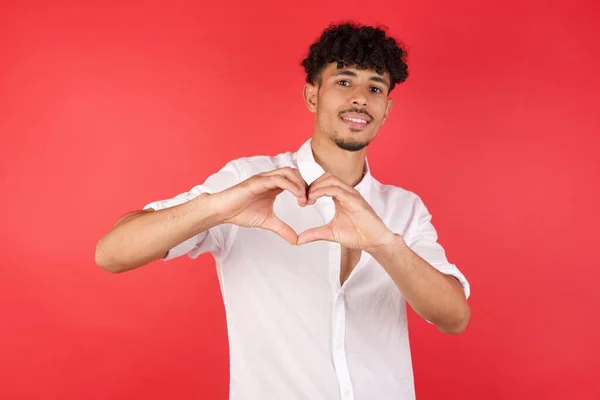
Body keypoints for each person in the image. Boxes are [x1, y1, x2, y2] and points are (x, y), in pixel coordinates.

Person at [95, 22, 471, 400]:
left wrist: (386, 246)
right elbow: (111, 254)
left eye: (375, 87)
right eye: (344, 81)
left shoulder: (403, 209)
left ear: (387, 108)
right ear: (313, 95)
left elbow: (454, 318)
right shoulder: (248, 183)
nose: (360, 98)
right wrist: (216, 208)